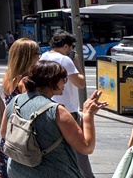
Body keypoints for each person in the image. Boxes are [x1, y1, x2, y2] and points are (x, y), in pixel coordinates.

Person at [0, 61, 107, 178]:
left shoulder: (15, 101)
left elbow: (4, 133)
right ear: (51, 81)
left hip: (17, 170)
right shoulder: (57, 111)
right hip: (55, 172)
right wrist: (88, 114)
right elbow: (86, 147)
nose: (65, 83)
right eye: (63, 79)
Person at [39, 30, 93, 178]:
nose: (72, 51)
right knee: (80, 149)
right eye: (71, 47)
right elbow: (80, 83)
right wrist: (77, 64)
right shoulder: (65, 60)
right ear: (65, 46)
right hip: (68, 110)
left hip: (48, 107)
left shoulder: (43, 57)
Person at [0, 38, 41, 178]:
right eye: (37, 54)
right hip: (22, 136)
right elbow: (32, 107)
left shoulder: (9, 75)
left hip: (10, 133)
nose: (39, 57)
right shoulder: (26, 81)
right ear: (28, 56)